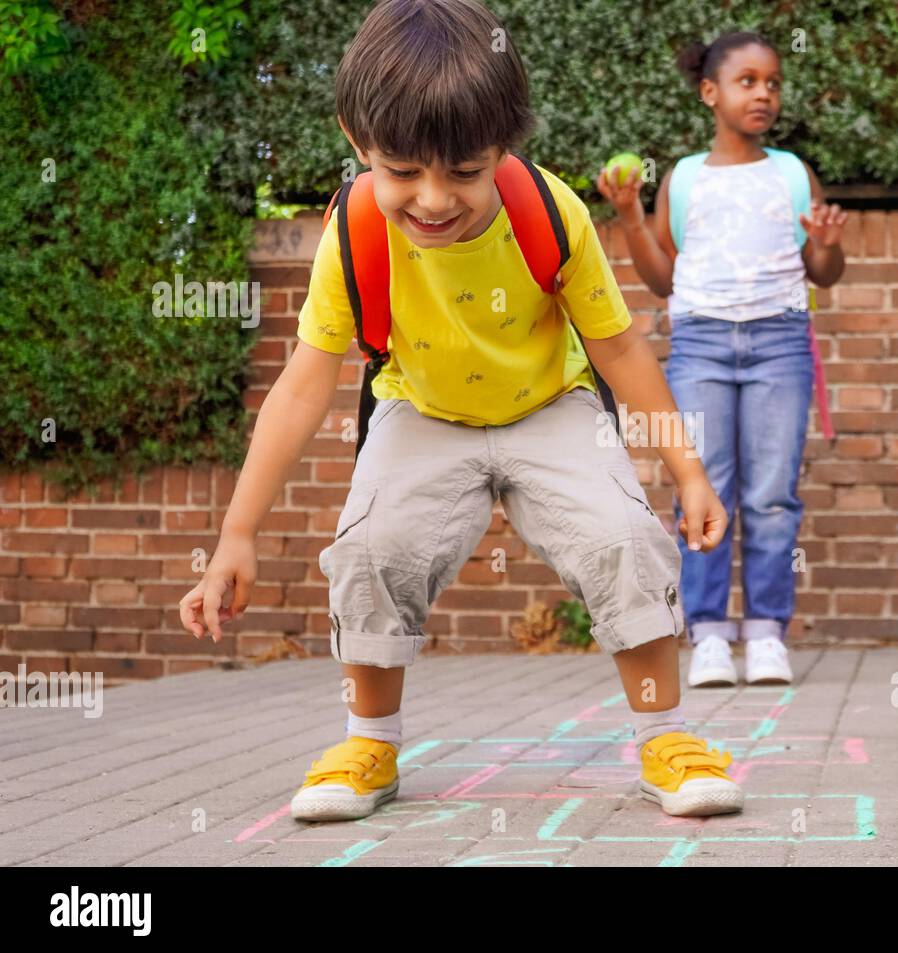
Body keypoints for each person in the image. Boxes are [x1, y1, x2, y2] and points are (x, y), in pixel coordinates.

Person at [179, 0, 743, 822]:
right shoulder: (354, 236)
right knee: (371, 547)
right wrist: (236, 534)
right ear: (354, 138)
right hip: (422, 410)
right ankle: (369, 742)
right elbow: (303, 385)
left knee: (624, 539)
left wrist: (686, 469)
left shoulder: (553, 216)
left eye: (465, 172)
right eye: (402, 171)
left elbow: (620, 349)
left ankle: (666, 735)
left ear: (503, 148)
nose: (434, 199)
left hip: (550, 404)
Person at [597, 32, 847, 688]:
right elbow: (660, 280)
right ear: (710, 93)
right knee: (703, 487)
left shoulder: (794, 173)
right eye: (747, 81)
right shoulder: (683, 179)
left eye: (772, 82)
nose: (763, 92)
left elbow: (824, 273)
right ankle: (708, 634)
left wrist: (824, 244)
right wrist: (627, 217)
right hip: (702, 345)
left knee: (770, 496)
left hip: (780, 344)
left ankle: (765, 633)